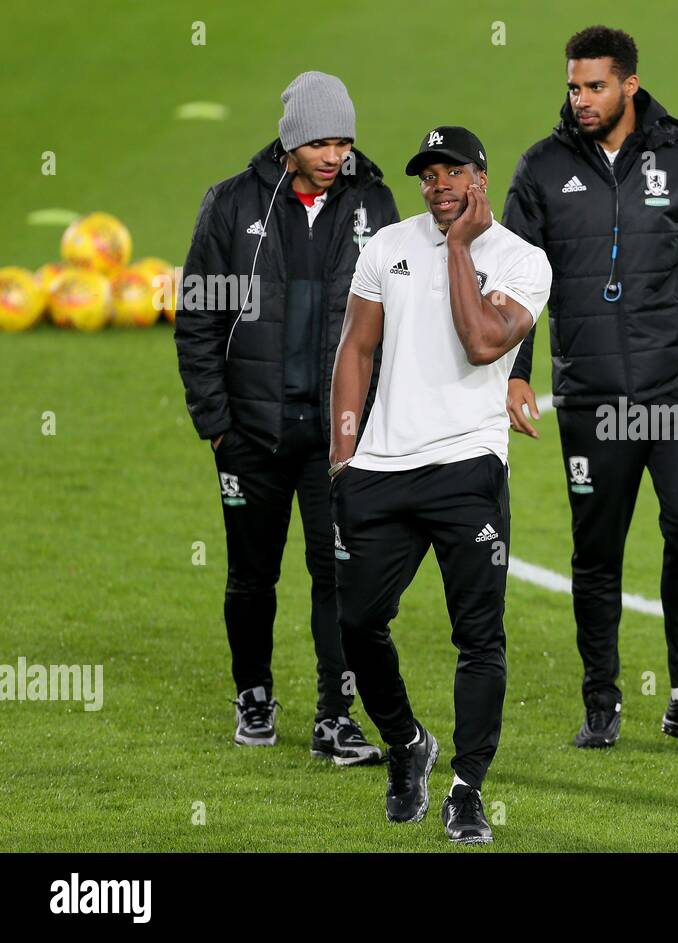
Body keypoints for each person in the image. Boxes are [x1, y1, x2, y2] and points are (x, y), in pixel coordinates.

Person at [502, 25, 678, 752]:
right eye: (574, 86)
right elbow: (514, 284)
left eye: (595, 86)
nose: (581, 99)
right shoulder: (541, 171)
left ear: (629, 85)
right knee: (597, 548)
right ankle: (601, 698)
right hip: (592, 400)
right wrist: (513, 372)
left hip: (677, 395)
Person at [329, 126, 551, 843]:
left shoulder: (523, 260)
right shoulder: (386, 246)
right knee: (357, 622)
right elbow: (356, 348)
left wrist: (458, 248)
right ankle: (407, 742)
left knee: (478, 636)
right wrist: (342, 454)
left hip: (467, 469)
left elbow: (484, 340)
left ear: (481, 179)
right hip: (381, 469)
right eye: (428, 176)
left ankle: (466, 788)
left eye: (453, 173)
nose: (439, 186)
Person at [175, 71, 398, 763]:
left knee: (339, 575)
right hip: (251, 435)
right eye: (322, 142)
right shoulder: (232, 204)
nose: (336, 155)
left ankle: (335, 715)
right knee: (251, 574)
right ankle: (254, 692)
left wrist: (374, 420)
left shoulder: (375, 205)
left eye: (345, 141)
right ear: (291, 140)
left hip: (338, 437)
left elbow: (400, 317)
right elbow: (198, 318)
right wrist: (216, 421)